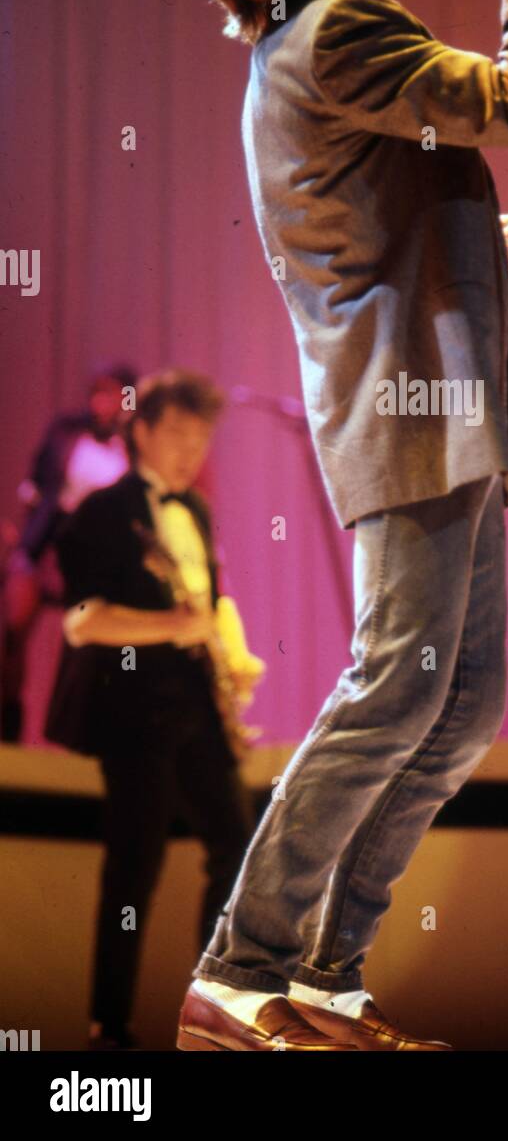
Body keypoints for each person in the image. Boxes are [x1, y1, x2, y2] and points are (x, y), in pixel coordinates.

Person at [174, 0, 508, 1051]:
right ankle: (242, 968)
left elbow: (360, 227)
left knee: (457, 707)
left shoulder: (323, 39)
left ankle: (331, 978)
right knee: (394, 691)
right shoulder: (336, 32)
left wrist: (464, 252)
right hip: (409, 415)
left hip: (440, 401)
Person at [51, 369, 264, 1050]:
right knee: (133, 867)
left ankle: (206, 1010)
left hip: (196, 707)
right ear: (138, 429)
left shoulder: (195, 510)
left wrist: (232, 655)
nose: (190, 448)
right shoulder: (101, 511)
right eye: (176, 432)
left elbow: (211, 602)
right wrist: (168, 626)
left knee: (237, 847)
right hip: (133, 712)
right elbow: (81, 622)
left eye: (201, 437)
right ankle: (109, 1028)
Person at [0, 362, 136, 743]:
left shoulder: (132, 448)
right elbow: (37, 488)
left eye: (109, 393)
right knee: (12, 628)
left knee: (85, 646)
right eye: (95, 391)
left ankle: (76, 737)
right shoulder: (66, 432)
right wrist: (22, 541)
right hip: (46, 546)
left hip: (92, 558)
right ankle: (8, 731)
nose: (99, 400)